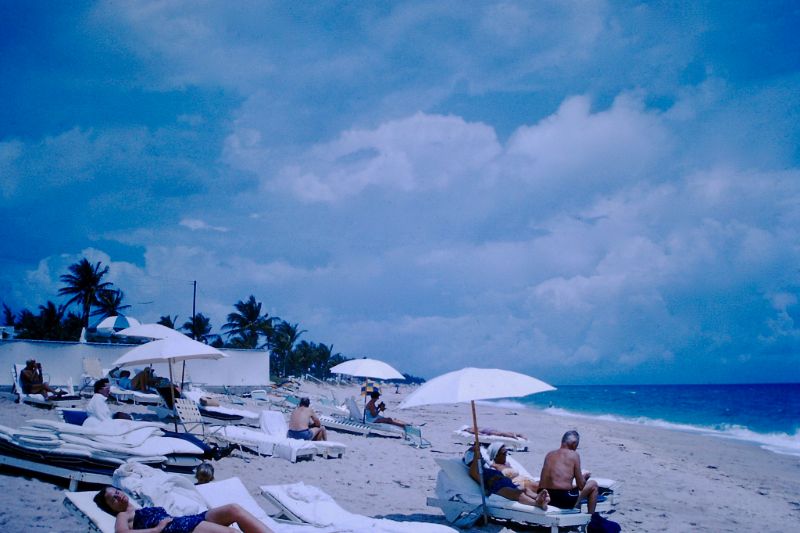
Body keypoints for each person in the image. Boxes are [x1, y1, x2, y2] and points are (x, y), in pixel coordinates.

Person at [93, 485, 272, 532]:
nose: (118, 496)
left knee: (234, 509)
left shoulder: (139, 505)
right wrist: (156, 530)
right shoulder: (123, 516)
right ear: (112, 508)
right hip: (174, 529)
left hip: (183, 521)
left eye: (116, 491)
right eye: (113, 499)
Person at [464, 441, 549, 509]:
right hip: (498, 487)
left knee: (526, 490)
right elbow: (473, 472)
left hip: (506, 483)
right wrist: (476, 455)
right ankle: (536, 504)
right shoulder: (478, 471)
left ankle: (538, 497)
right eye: (479, 457)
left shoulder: (486, 469)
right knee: (518, 494)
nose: (481, 457)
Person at [538, 430, 599, 513]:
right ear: (574, 444)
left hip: (544, 497)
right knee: (593, 484)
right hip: (562, 500)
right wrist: (584, 477)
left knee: (569, 488)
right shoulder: (574, 455)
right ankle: (591, 519)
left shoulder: (549, 454)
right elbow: (581, 486)